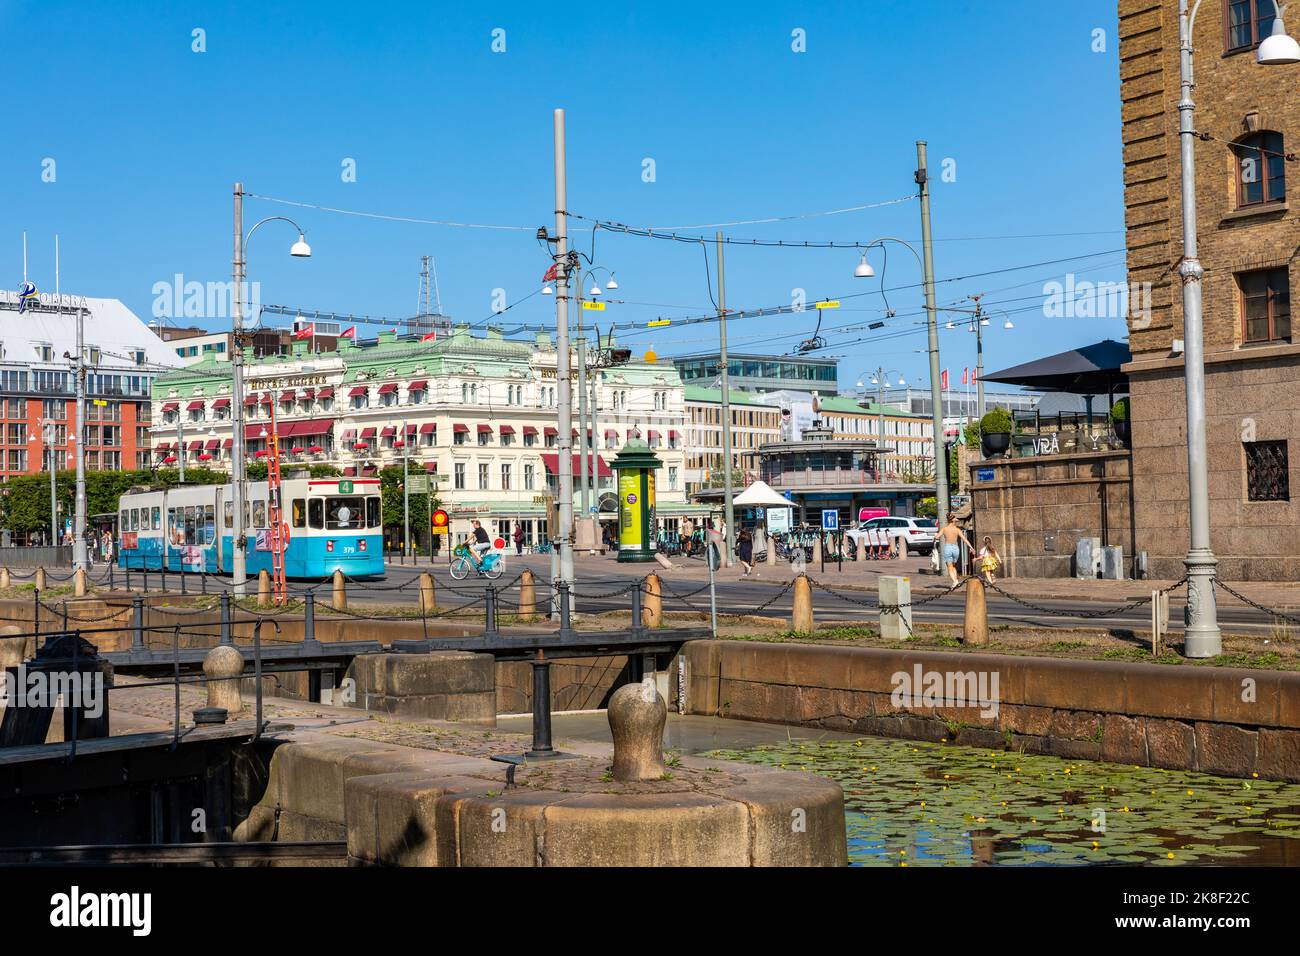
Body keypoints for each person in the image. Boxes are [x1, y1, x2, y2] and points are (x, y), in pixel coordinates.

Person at [932, 514, 976, 586]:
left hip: (948, 548)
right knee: (954, 566)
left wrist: (934, 538)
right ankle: (956, 581)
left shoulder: (944, 529)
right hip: (956, 548)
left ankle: (955, 581)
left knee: (949, 567)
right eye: (955, 520)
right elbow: (964, 539)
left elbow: (937, 537)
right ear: (953, 521)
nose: (956, 521)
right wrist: (971, 547)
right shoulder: (957, 529)